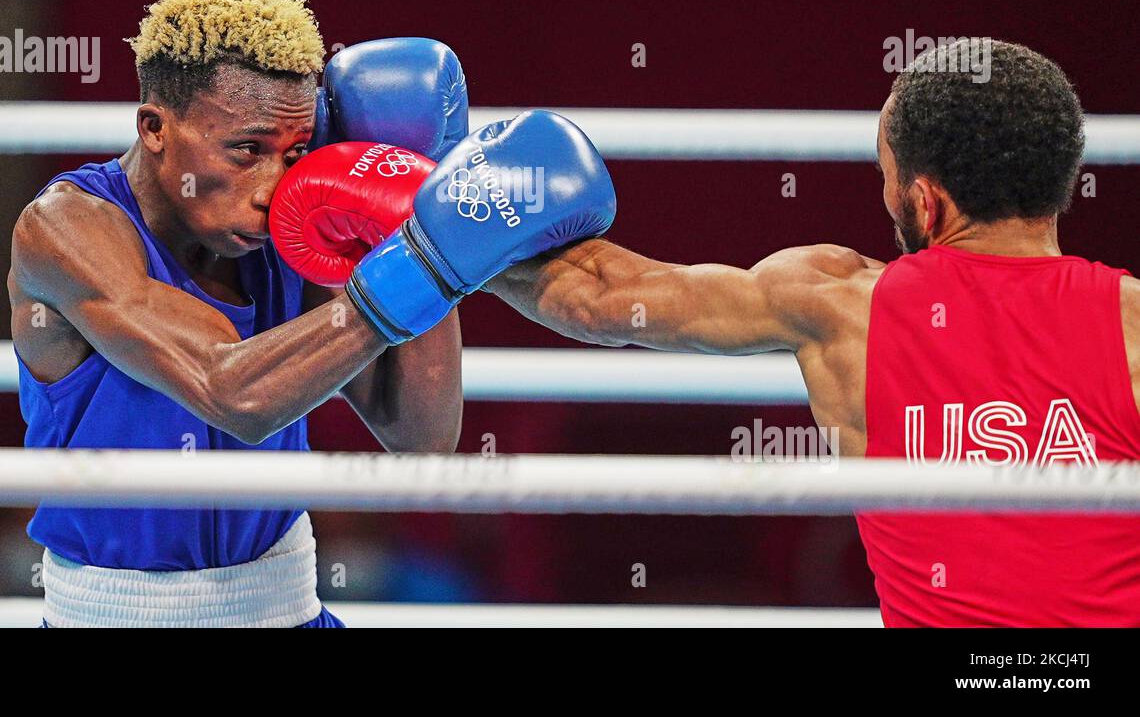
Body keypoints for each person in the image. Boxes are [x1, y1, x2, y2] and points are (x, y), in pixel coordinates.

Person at [8, 0, 616, 627]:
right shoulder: (66, 229)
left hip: (289, 612)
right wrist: (425, 261)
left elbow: (421, 436)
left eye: (296, 151)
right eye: (245, 150)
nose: (275, 188)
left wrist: (410, 215)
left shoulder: (290, 225)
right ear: (155, 127)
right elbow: (230, 393)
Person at [488, 39, 1140, 626]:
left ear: (923, 201)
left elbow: (601, 298)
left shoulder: (839, 303)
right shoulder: (1132, 320)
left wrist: (435, 226)